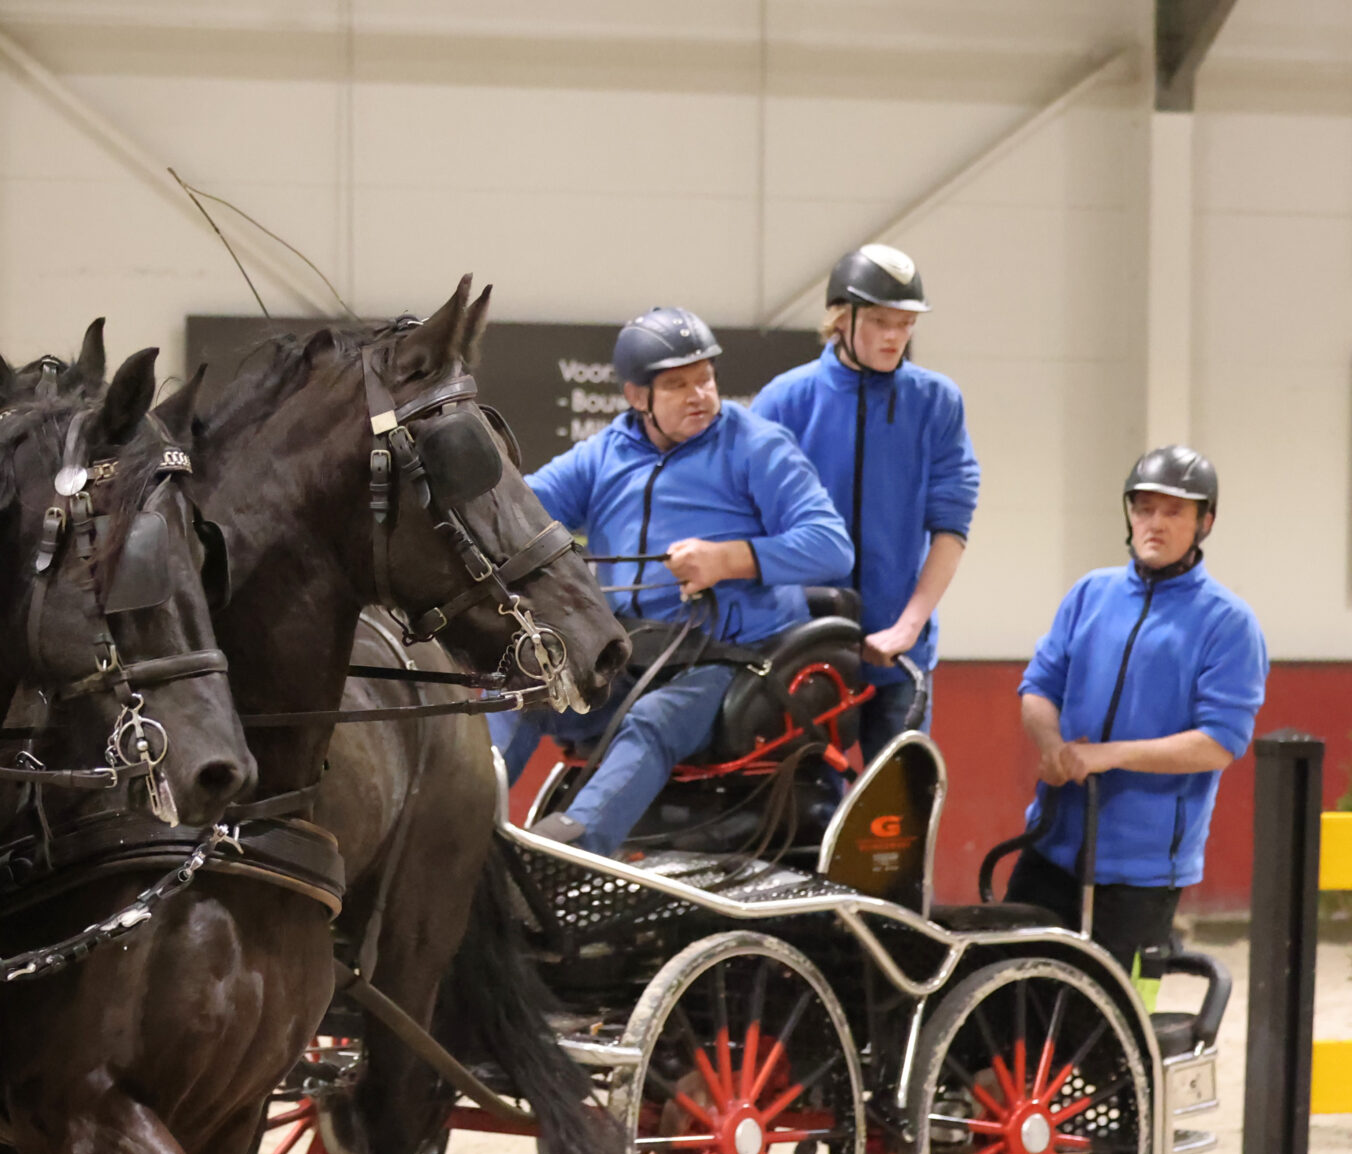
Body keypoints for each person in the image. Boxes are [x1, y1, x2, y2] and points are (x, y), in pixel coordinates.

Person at [490, 307, 854, 854]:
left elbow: (832, 546)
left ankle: (569, 853)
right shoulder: (605, 453)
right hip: (629, 651)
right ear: (637, 397)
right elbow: (520, 511)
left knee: (654, 720)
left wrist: (730, 559)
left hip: (726, 657)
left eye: (705, 379)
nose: (699, 395)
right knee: (528, 690)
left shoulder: (757, 445)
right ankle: (465, 813)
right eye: (678, 385)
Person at [1007, 446, 1268, 974]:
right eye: (1144, 509)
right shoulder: (1089, 593)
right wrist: (1052, 747)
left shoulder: (1229, 623)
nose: (1155, 523)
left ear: (1205, 523)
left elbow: (1219, 743)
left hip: (1143, 871)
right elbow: (1038, 687)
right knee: (1008, 996)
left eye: (1173, 512)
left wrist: (1109, 755)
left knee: (1118, 1013)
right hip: (1050, 844)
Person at [752, 244, 979, 757]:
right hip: (801, 648)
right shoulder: (783, 401)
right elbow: (752, 525)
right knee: (802, 796)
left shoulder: (937, 402)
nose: (895, 336)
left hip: (899, 652)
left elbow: (952, 526)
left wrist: (908, 628)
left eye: (906, 323)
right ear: (840, 318)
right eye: (880, 321)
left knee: (897, 800)